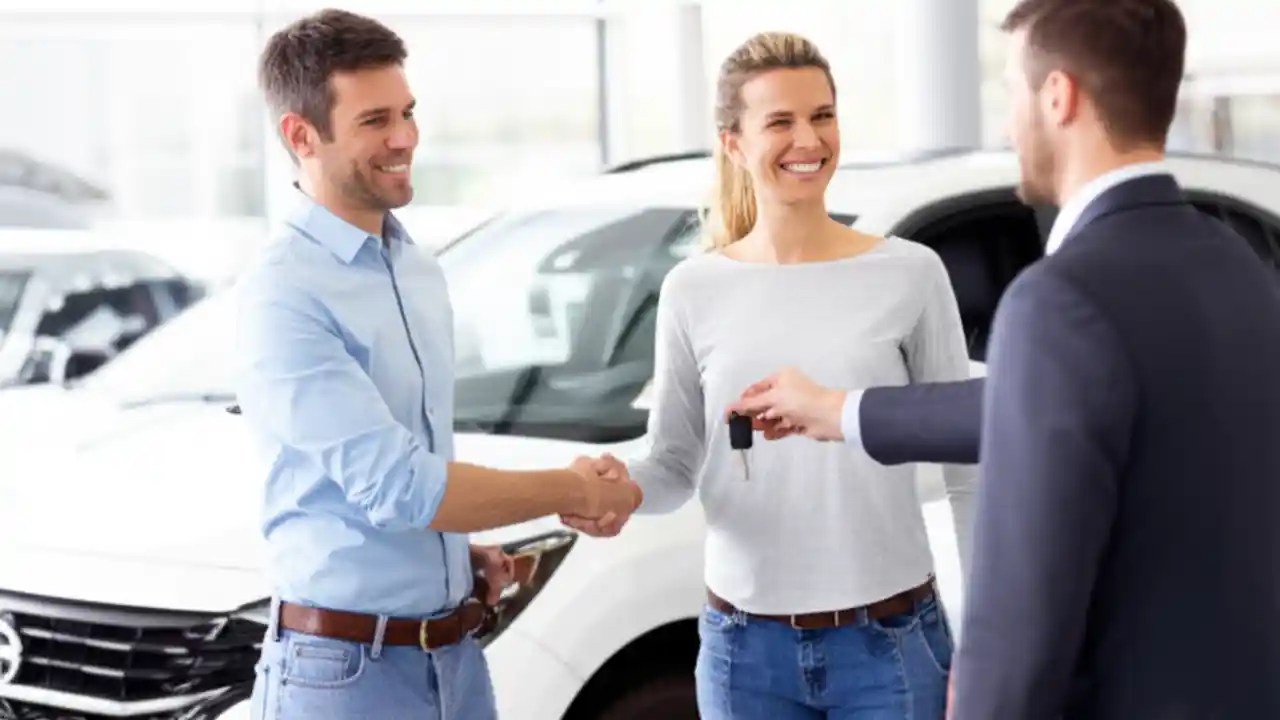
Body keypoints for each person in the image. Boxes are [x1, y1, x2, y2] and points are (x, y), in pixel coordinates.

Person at [730, 1, 1280, 717]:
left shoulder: (1061, 300)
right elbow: (1062, 403)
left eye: (1014, 93)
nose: (1008, 123)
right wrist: (839, 410)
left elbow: (1020, 619)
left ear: (1059, 96)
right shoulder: (1237, 267)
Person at [235, 10, 641, 720]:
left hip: (453, 661)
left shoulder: (415, 267)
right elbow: (401, 488)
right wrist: (570, 487)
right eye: (374, 121)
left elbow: (408, 477)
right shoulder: (284, 291)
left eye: (408, 113)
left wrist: (452, 558)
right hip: (344, 679)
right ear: (301, 136)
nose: (404, 139)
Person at [564, 31, 976, 719]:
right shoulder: (693, 289)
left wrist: (986, 643)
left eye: (822, 115)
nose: (808, 140)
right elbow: (673, 464)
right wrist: (622, 491)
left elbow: (967, 465)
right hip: (743, 653)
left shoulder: (909, 273)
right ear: (733, 143)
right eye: (780, 122)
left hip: (891, 646)